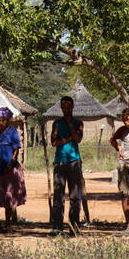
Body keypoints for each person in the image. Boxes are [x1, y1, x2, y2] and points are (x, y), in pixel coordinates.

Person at [49, 96, 85, 236]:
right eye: (64, 107)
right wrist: (70, 137)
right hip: (60, 162)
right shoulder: (56, 123)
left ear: (73, 107)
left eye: (69, 107)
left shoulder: (78, 123)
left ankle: (74, 227)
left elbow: (78, 139)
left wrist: (70, 125)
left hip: (74, 162)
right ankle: (58, 227)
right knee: (58, 196)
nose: (66, 109)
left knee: (75, 196)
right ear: (61, 108)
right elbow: (53, 142)